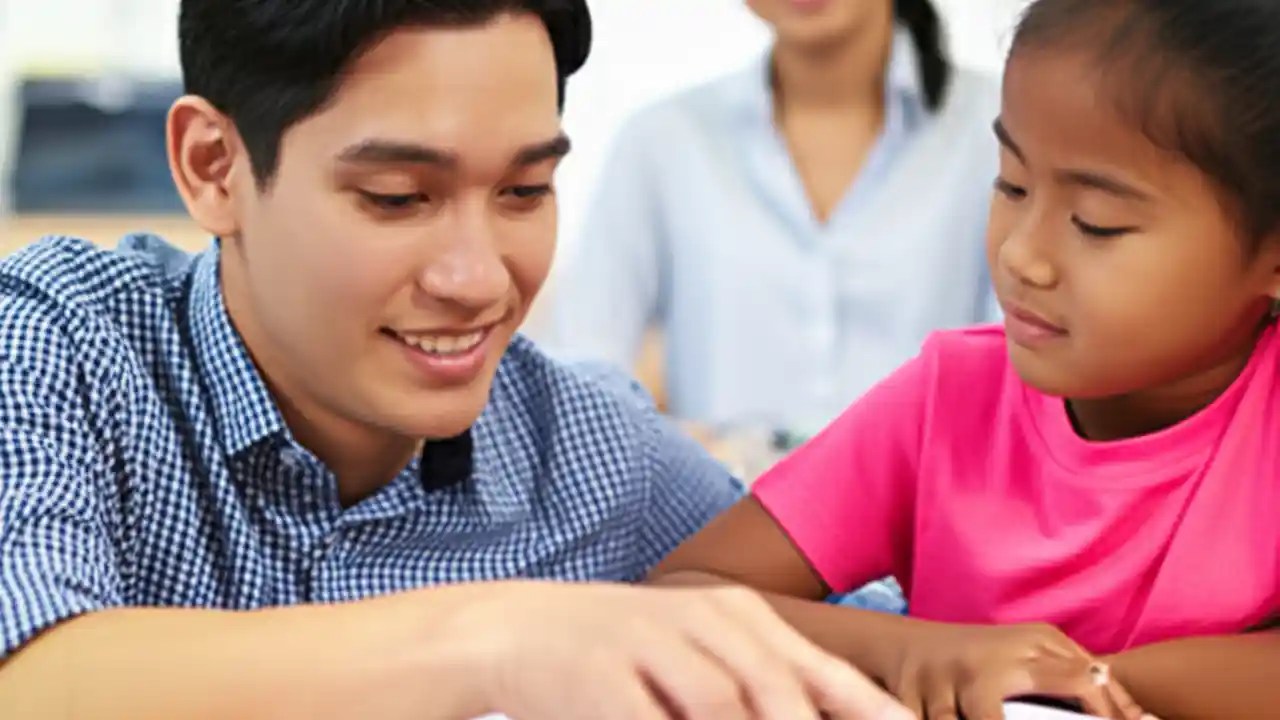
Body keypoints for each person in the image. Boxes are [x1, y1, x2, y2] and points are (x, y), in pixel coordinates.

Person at [0, 2, 907, 719]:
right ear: (214, 167)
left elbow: (868, 637)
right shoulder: (65, 340)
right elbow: (34, 676)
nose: (478, 281)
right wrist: (500, 639)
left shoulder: (590, 453)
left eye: (524, 191)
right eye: (398, 198)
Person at [651, 0, 1280, 718]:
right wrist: (913, 649)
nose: (1021, 257)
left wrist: (1082, 678)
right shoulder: (946, 403)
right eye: (1011, 185)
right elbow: (681, 599)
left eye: (1095, 225)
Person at [552, 0, 999, 430]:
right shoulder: (664, 142)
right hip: (726, 502)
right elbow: (582, 365)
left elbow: (1028, 377)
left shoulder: (1002, 130)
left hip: (939, 503)